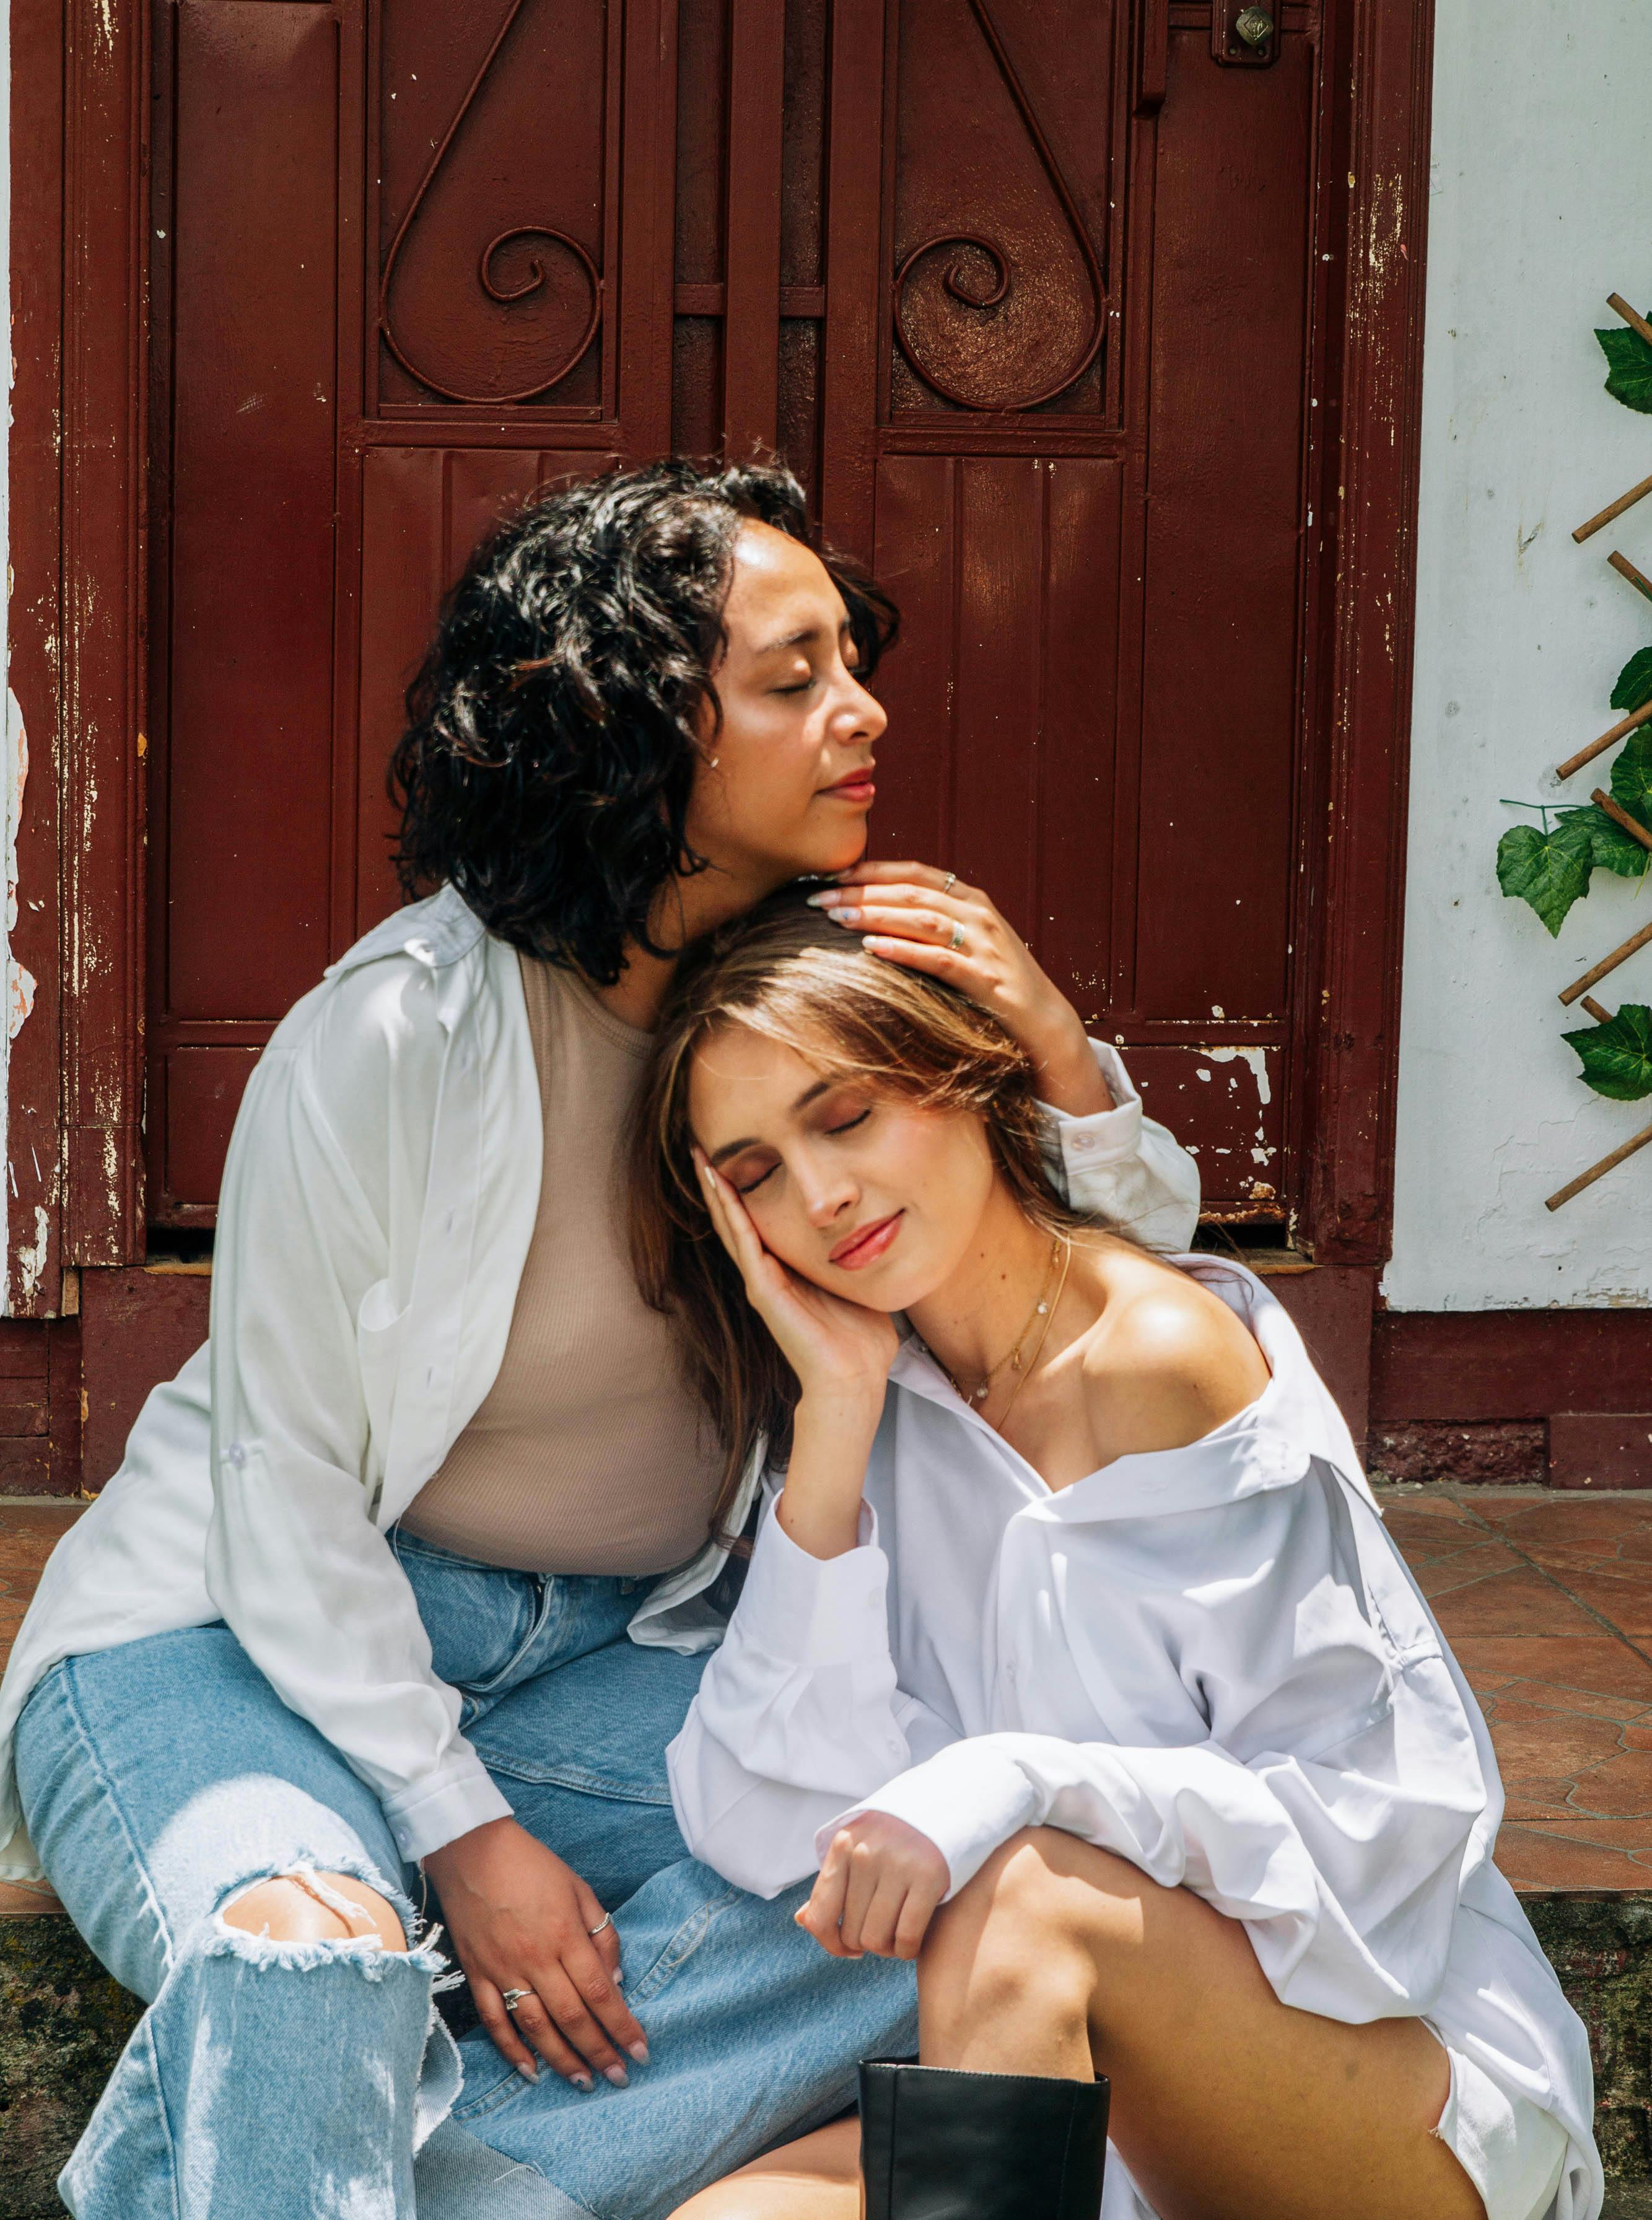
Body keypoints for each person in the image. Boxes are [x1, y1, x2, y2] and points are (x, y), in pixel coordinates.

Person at [0, 460, 1201, 2220]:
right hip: (231, 1638)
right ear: (638, 732)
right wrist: (460, 1835)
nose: (862, 710)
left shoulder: (826, 1009)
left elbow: (1093, 1308)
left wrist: (1058, 1056)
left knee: (949, 1902)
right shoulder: (392, 1039)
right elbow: (279, 1493)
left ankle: (421, 2181)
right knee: (306, 1966)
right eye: (792, 680)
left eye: (846, 662)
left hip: (613, 1669)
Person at [631, 891, 1600, 2220]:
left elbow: (1382, 1840)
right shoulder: (870, 1405)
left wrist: (1017, 1776)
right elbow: (755, 1824)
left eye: (844, 1114)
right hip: (1066, 2093)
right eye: (751, 1173)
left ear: (963, 1072)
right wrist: (839, 1417)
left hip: (1392, 2089)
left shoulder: (1163, 1357)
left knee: (1023, 1896)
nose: (820, 1194)